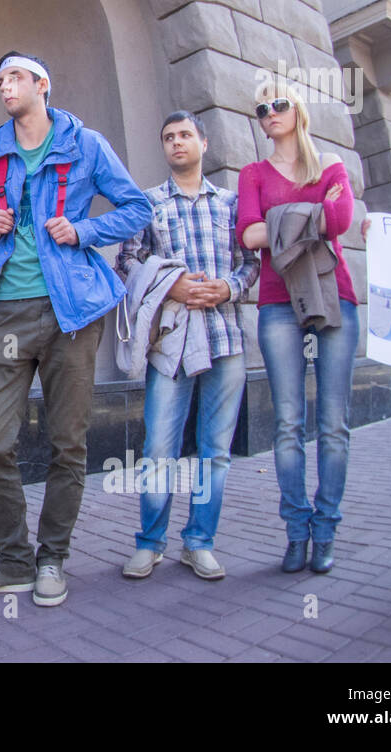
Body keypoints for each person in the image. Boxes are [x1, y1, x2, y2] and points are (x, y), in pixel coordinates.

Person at [0, 51, 152, 606]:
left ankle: (51, 559)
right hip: (9, 312)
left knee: (69, 443)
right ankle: (13, 561)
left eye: (15, 77)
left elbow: (136, 207)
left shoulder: (85, 144)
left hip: (74, 313)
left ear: (43, 83)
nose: (5, 86)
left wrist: (84, 229)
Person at [115, 111, 259, 580]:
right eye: (168, 137)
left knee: (215, 450)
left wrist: (229, 288)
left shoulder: (232, 204)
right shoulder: (148, 203)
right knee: (160, 447)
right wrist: (172, 285)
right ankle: (150, 542)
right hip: (170, 343)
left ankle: (199, 542)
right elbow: (128, 259)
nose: (176, 143)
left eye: (184, 135)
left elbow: (251, 262)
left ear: (203, 142)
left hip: (226, 337)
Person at [237, 83, 358, 575]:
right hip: (277, 300)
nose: (270, 114)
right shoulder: (253, 173)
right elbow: (248, 234)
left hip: (334, 295)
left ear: (298, 111)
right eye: (261, 108)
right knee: (288, 424)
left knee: (333, 424)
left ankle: (326, 529)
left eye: (278, 104)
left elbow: (342, 218)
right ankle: (295, 531)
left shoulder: (329, 164)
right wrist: (312, 214)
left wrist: (279, 220)